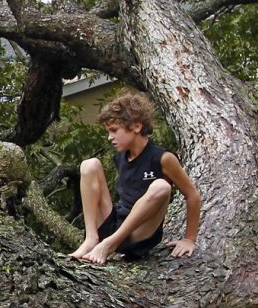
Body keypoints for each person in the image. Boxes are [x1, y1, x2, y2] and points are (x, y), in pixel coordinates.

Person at [69, 90, 201, 264]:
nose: (110, 137)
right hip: (116, 225)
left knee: (161, 186)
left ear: (137, 127)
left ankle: (109, 245)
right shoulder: (120, 157)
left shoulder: (163, 158)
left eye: (114, 131)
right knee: (89, 164)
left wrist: (189, 238)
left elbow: (193, 195)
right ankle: (91, 239)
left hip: (141, 233)